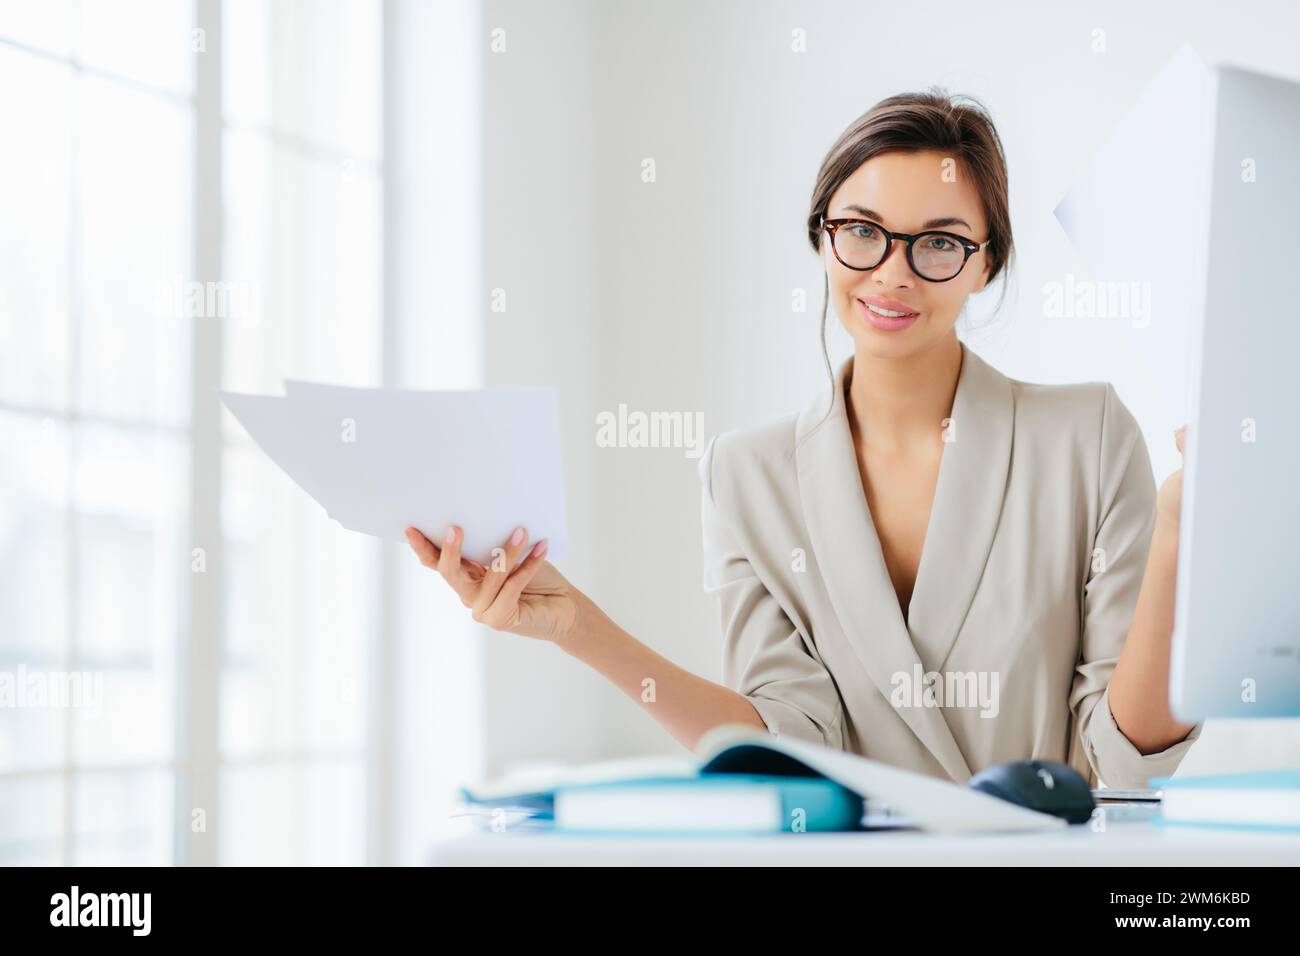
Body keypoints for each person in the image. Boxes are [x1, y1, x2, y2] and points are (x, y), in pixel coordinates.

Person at [404, 90, 1202, 788]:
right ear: (822, 238)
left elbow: (1123, 755)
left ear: (984, 266)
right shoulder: (746, 474)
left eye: (939, 242)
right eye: (863, 230)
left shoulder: (1086, 435)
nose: (892, 272)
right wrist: (576, 625)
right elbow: (786, 745)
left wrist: (1176, 531)